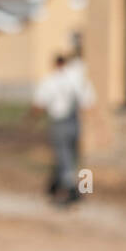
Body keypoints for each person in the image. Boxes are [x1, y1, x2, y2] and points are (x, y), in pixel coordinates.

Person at [32, 52, 96, 206]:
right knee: (75, 157)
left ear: (56, 64)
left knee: (63, 158)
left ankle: (69, 193)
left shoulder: (51, 81)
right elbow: (88, 103)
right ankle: (83, 189)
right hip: (75, 122)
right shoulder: (78, 79)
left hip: (60, 123)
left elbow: (40, 104)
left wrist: (30, 118)